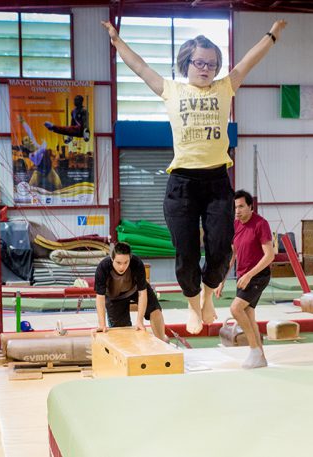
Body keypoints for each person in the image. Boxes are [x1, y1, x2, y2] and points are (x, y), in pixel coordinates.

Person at [102, 19, 287, 335]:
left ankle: (206, 297)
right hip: (182, 184)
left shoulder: (224, 87)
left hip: (216, 182)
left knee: (220, 249)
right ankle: (192, 306)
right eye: (200, 62)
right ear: (186, 63)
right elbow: (141, 68)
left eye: (212, 64)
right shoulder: (171, 89)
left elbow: (249, 61)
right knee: (186, 254)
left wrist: (272, 35)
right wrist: (118, 42)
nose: (206, 69)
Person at [216, 190, 274, 368]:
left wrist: (249, 275)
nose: (238, 211)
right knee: (249, 315)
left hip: (257, 275)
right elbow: (233, 256)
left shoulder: (260, 224)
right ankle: (261, 358)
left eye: (241, 206)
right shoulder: (235, 225)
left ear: (250, 206)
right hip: (243, 277)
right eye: (235, 207)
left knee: (235, 309)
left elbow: (270, 255)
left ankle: (254, 350)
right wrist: (222, 281)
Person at [93, 242, 168, 342]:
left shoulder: (137, 263)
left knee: (155, 311)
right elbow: (100, 297)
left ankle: (162, 340)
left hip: (135, 290)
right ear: (112, 259)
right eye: (118, 263)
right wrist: (102, 324)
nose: (122, 267)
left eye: (126, 262)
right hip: (115, 297)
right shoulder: (103, 267)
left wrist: (140, 321)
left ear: (130, 258)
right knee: (122, 333)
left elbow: (142, 293)